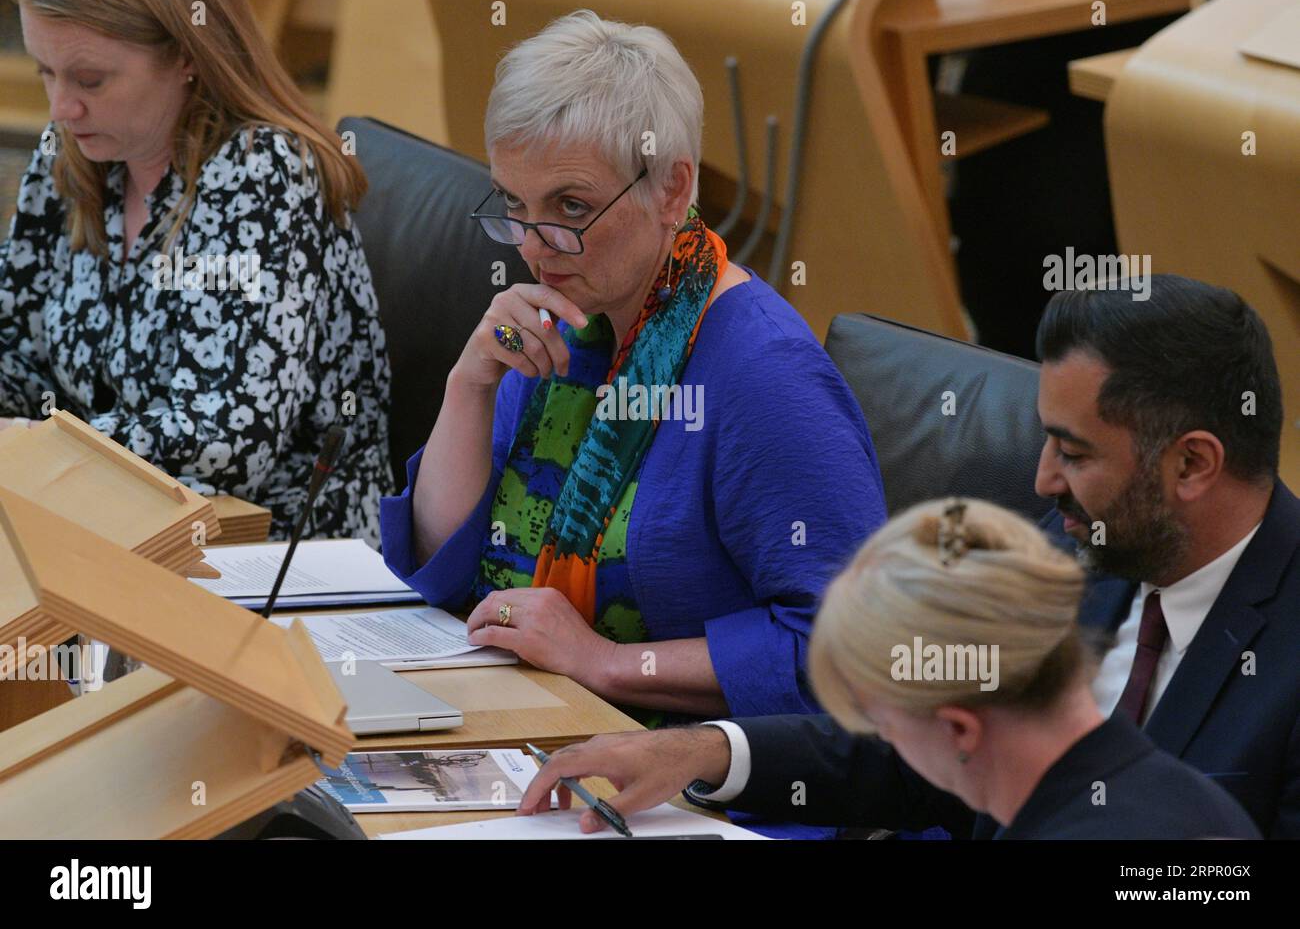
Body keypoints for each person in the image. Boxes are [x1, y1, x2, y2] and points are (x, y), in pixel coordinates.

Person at [517, 276, 1299, 837]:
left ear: (1192, 466)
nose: (1041, 480)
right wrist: (708, 748)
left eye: (1074, 452)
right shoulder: (1085, 540)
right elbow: (926, 737)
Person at [379, 10, 886, 721]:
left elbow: (847, 651)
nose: (535, 246)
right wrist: (470, 386)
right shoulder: (563, 319)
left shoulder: (765, 376)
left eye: (572, 206)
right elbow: (443, 560)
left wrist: (607, 662)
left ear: (672, 191)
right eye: (515, 206)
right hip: (529, 719)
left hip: (694, 782)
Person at [0, 0, 391, 544]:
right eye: (45, 72)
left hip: (271, 550)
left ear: (186, 52)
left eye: (90, 79)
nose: (61, 106)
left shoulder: (262, 177)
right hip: (106, 512)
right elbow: (18, 347)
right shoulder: (72, 152)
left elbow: (228, 442)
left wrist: (40, 445)